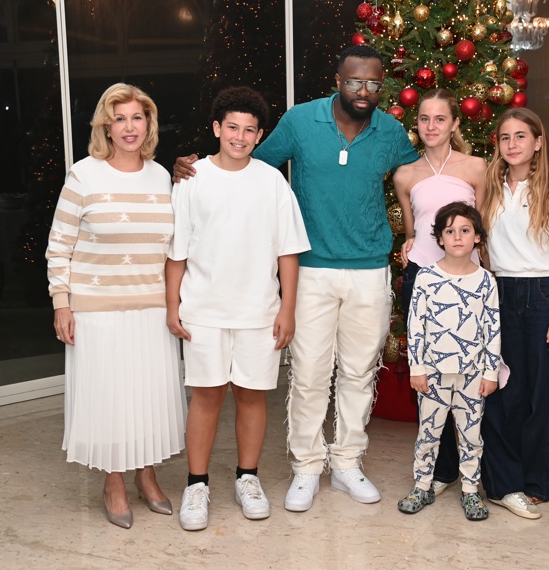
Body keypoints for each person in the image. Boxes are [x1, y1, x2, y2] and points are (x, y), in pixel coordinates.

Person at [174, 45, 420, 511]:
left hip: (369, 268)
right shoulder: (301, 121)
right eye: (354, 82)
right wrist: (190, 169)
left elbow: (420, 174)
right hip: (310, 269)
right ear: (337, 79)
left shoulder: (389, 130)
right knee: (308, 375)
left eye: (373, 83)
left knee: (358, 372)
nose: (363, 91)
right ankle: (306, 467)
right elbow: (246, 163)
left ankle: (347, 462)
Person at [166, 86, 309, 531]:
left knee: (251, 395)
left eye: (250, 130)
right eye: (232, 127)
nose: (240, 136)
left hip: (258, 312)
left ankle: (248, 479)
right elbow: (178, 252)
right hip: (204, 310)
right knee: (206, 396)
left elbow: (288, 251)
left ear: (259, 134)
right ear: (216, 128)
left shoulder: (271, 182)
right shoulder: (191, 179)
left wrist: (287, 309)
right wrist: (173, 306)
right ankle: (197, 485)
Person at [46, 83, 186, 529]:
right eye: (119, 118)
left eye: (137, 118)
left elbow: (174, 249)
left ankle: (147, 475)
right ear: (105, 125)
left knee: (149, 398)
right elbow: (58, 246)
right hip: (96, 310)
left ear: (149, 124)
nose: (129, 127)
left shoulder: (162, 176)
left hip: (150, 308)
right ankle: (113, 481)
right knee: (110, 399)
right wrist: (61, 303)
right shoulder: (83, 175)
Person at [478, 108, 549, 520]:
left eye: (521, 136)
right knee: (503, 391)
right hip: (501, 292)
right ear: (498, 145)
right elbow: (480, 245)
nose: (512, 144)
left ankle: (540, 481)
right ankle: (505, 479)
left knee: (544, 394)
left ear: (537, 143)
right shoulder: (491, 188)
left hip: (544, 294)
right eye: (505, 137)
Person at [393, 88, 487, 498]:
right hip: (424, 279)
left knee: (469, 373)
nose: (431, 126)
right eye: (424, 119)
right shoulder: (405, 174)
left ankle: (469, 466)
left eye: (439, 119)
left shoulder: (476, 168)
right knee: (428, 374)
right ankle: (437, 468)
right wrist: (408, 244)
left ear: (455, 124)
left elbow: (482, 225)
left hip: (468, 280)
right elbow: (414, 230)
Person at [398, 201, 499, 520]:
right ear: (439, 238)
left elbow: (492, 328)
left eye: (465, 230)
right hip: (433, 375)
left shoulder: (486, 281)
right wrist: (417, 368)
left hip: (472, 376)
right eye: (450, 231)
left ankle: (471, 491)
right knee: (428, 433)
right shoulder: (426, 278)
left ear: (477, 238)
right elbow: (415, 326)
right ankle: (422, 485)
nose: (457, 237)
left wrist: (490, 372)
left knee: (471, 436)